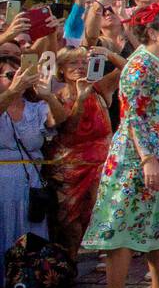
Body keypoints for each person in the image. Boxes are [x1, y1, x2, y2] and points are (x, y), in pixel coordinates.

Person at [82, 0, 159, 288]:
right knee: (124, 229)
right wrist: (147, 159)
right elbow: (132, 116)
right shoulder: (139, 64)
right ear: (152, 32)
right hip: (136, 160)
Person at [47, 46, 123, 258]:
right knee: (69, 221)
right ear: (61, 69)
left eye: (83, 63)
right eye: (73, 63)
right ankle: (69, 263)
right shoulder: (56, 96)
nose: (80, 68)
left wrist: (108, 54)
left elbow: (128, 69)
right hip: (68, 166)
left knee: (103, 212)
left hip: (101, 164)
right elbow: (69, 128)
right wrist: (80, 98)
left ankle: (106, 257)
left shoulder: (100, 87)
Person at [0, 56, 61, 288]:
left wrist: (47, 94)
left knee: (30, 229)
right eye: (9, 75)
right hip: (2, 183)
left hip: (31, 182)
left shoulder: (36, 107)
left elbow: (60, 120)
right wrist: (12, 91)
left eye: (21, 72)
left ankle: (32, 279)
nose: (18, 78)